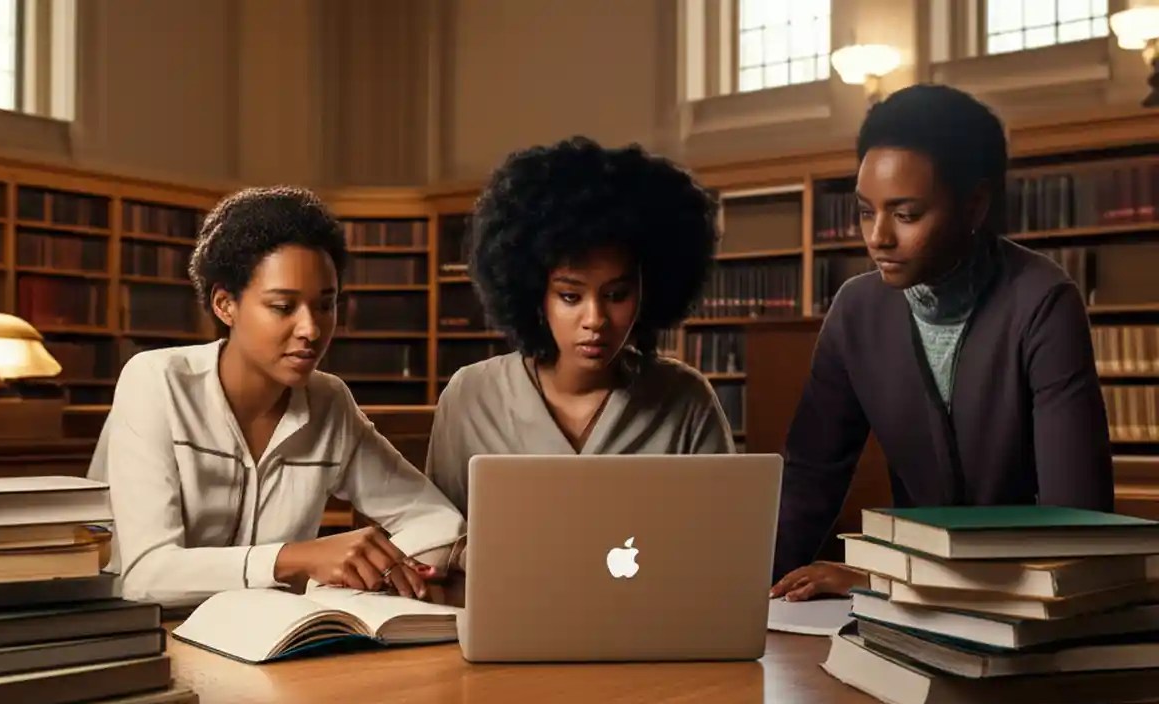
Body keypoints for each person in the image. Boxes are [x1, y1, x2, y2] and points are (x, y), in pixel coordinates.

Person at [769, 84, 1114, 601]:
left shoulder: (1043, 302)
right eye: (866, 211)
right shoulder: (856, 310)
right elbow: (808, 482)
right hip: (910, 613)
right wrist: (742, 594)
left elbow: (1078, 527)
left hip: (1034, 608)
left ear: (974, 206)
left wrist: (883, 580)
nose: (878, 237)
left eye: (905, 215)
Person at [89, 186, 467, 609]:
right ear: (225, 304)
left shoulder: (330, 402)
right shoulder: (156, 382)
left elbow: (437, 521)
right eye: (284, 306)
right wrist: (297, 558)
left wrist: (380, 566)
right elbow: (145, 575)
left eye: (326, 305)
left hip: (268, 638)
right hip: (138, 633)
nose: (311, 329)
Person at [426, 136, 735, 517]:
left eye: (617, 295)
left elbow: (721, 540)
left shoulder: (686, 400)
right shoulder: (470, 397)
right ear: (535, 293)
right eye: (570, 297)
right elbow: (440, 537)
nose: (595, 320)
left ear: (648, 291)